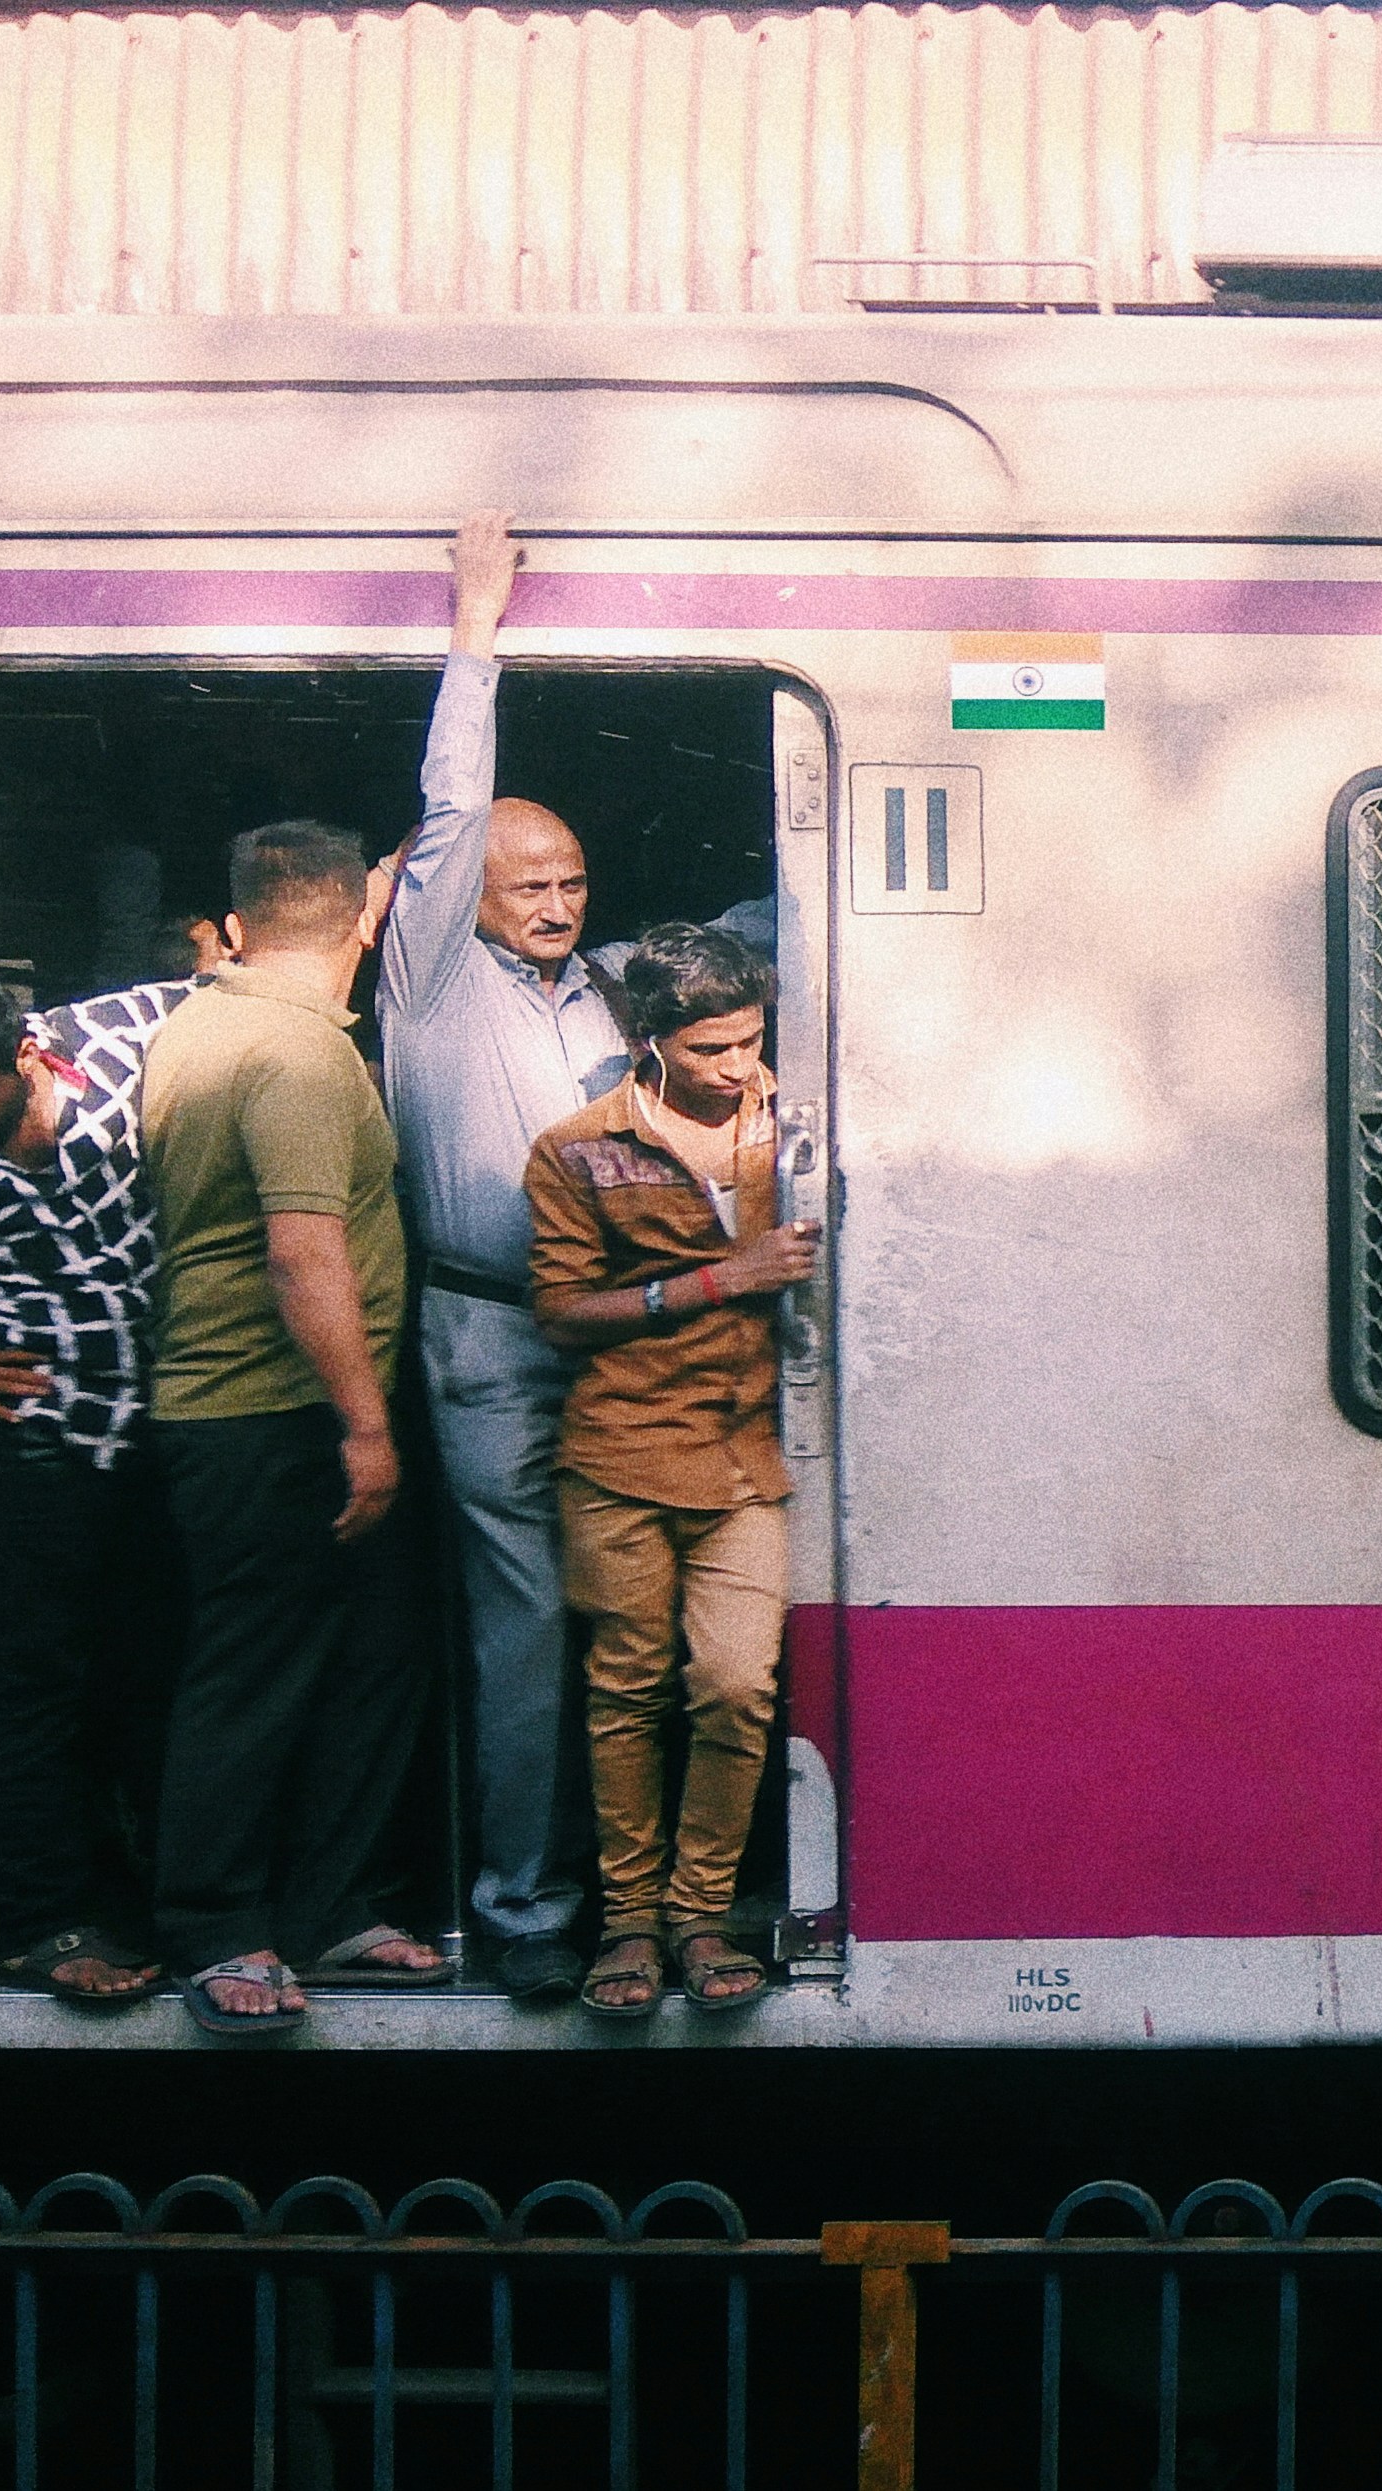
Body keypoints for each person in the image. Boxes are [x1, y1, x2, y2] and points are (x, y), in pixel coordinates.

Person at [139, 820, 445, 2034]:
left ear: (239, 921)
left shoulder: (207, 1023)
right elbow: (302, 1253)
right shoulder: (298, 1059)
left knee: (379, 1652)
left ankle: (333, 1905)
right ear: (365, 923)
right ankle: (216, 1929)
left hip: (262, 1408)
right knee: (254, 1674)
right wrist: (368, 1428)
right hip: (276, 1411)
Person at [387, 508, 627, 2000]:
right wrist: (477, 631)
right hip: (486, 1339)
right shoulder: (426, 973)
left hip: (623, 1333)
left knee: (629, 1610)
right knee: (529, 1623)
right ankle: (528, 1919)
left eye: (574, 883)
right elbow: (453, 804)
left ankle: (647, 1902)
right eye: (528, 884)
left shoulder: (602, 986)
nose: (553, 902)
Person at [525, 923, 815, 2015]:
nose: (739, 1067)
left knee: (737, 1689)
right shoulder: (576, 1148)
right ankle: (632, 1924)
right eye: (712, 1051)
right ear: (651, 1041)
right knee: (627, 1695)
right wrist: (720, 1280)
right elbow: (556, 1313)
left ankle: (703, 1913)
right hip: (619, 1458)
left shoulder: (794, 1122)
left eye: (749, 1042)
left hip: (743, 1461)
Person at [0, 960, 189, 2006]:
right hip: (25, 1447)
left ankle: (163, 1911)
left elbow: (246, 982)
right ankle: (43, 1925)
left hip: (158, 1433)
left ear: (28, 1054)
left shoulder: (122, 1036)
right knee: (36, 1697)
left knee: (153, 1679)